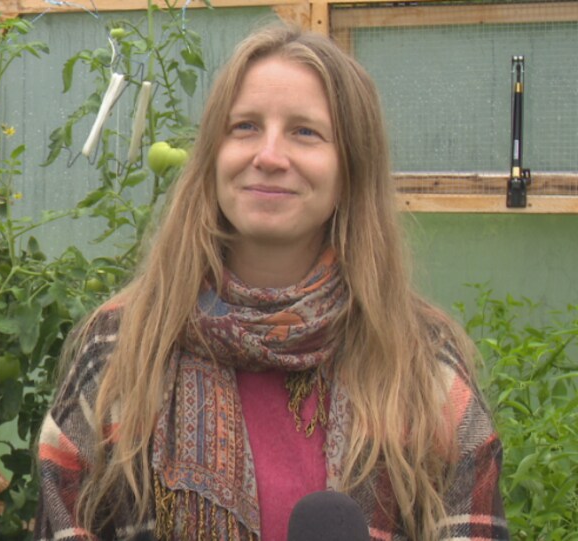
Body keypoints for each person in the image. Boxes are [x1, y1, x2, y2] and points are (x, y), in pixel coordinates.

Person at [34, 24, 507, 541]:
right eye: (245, 127)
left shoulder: (421, 365)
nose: (269, 156)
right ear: (212, 154)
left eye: (305, 132)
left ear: (350, 167)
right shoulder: (121, 348)